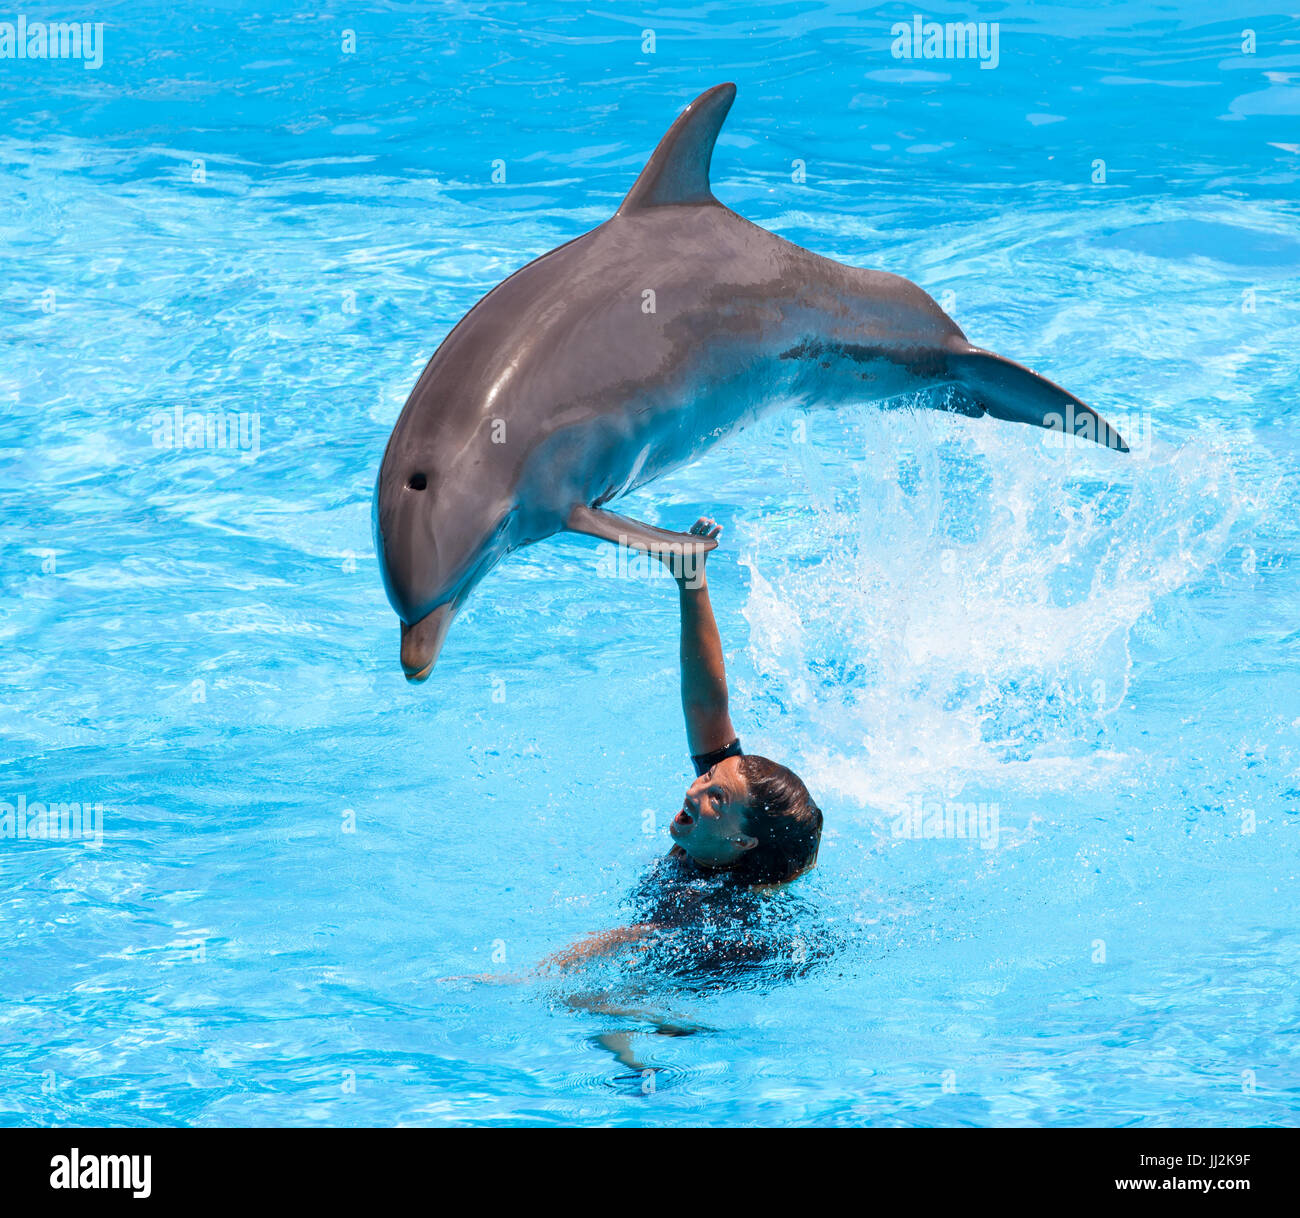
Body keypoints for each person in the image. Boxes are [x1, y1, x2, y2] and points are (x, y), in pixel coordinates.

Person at [548, 517, 823, 974]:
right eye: (709, 776)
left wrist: (534, 977)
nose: (696, 789)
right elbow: (705, 705)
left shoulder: (717, 921)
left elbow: (639, 965)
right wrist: (690, 578)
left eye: (716, 796)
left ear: (742, 839)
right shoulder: (718, 835)